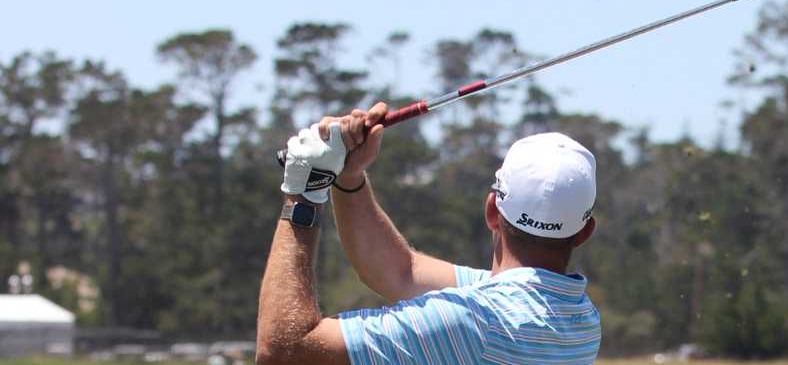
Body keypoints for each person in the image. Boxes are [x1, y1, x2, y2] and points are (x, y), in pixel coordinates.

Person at [255, 101, 601, 365]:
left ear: (492, 210)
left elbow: (283, 352)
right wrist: (349, 178)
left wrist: (304, 193)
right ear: (585, 232)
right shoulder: (581, 319)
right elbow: (401, 272)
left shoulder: (475, 323)